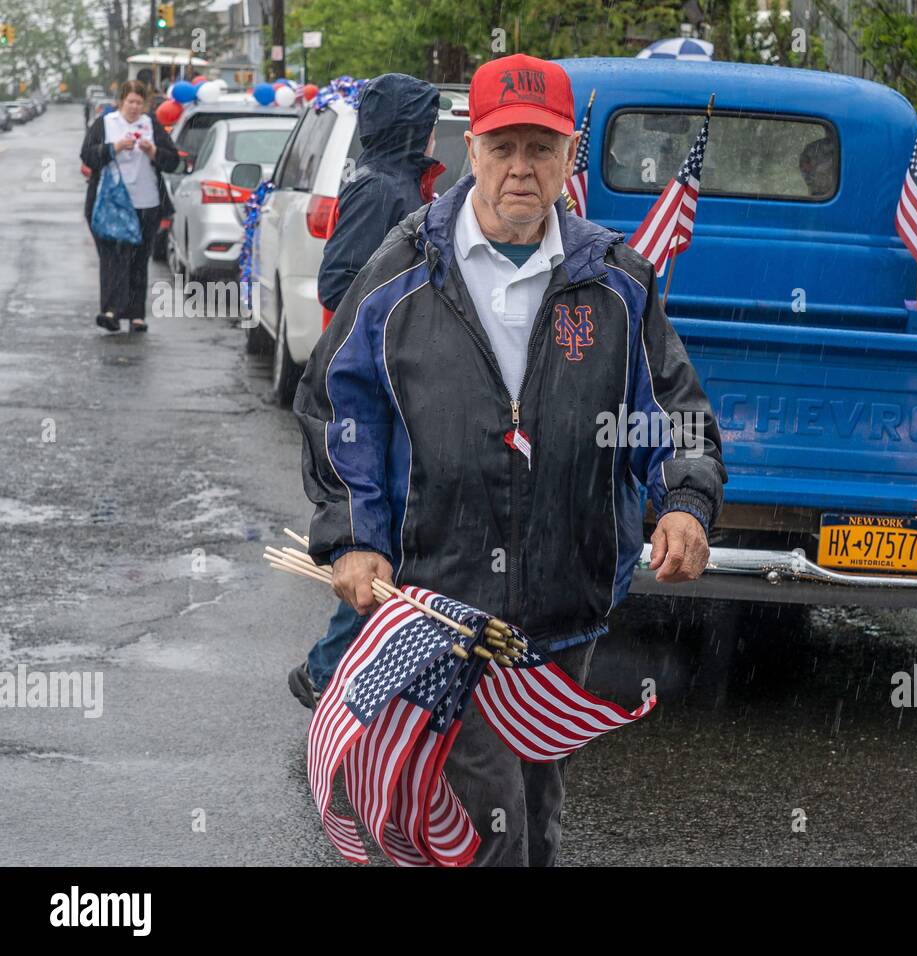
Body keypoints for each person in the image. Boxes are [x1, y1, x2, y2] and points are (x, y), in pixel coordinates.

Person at [293, 53, 726, 866]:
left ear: (570, 156)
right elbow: (333, 405)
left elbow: (675, 409)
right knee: (486, 812)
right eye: (503, 147)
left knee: (535, 799)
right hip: (441, 604)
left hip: (568, 604)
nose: (521, 168)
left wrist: (683, 501)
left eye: (542, 147)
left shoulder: (617, 281)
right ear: (473, 151)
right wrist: (354, 534)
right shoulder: (403, 270)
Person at [287, 73, 442, 711]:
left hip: (402, 377)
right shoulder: (381, 187)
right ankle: (326, 673)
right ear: (410, 124)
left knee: (399, 539)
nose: (437, 130)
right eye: (429, 118)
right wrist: (396, 312)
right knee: (388, 538)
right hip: (375, 384)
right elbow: (337, 282)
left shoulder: (401, 180)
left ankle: (352, 679)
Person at [80, 80, 180, 332]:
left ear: (144, 104)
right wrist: (113, 148)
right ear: (121, 101)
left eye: (139, 102)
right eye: (130, 102)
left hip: (147, 203)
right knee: (114, 258)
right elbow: (87, 154)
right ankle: (111, 311)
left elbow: (172, 161)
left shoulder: (150, 125)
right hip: (110, 204)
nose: (135, 107)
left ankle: (137, 315)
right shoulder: (106, 123)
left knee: (138, 258)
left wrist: (153, 152)